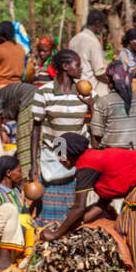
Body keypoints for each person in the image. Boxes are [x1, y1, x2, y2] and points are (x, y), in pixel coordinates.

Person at [42, 132, 136, 241]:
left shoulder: (86, 164)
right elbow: (103, 203)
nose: (59, 160)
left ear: (68, 156)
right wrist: (77, 222)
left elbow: (79, 207)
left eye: (60, 155)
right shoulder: (93, 156)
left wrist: (56, 234)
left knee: (131, 231)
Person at [30, 49, 91, 226]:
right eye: (77, 65)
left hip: (79, 161)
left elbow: (93, 126)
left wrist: (92, 106)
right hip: (53, 159)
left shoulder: (85, 93)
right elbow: (36, 130)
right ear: (65, 67)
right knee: (50, 212)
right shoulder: (44, 93)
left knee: (75, 209)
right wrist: (34, 164)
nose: (81, 69)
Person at [0, 21, 28, 116]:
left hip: (0, 88)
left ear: (0, 35)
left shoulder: (0, 49)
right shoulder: (20, 48)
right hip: (18, 87)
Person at [68, 10, 108, 96]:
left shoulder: (73, 40)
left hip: (75, 88)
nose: (102, 28)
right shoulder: (93, 42)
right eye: (102, 25)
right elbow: (99, 72)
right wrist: (111, 81)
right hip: (91, 90)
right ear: (97, 23)